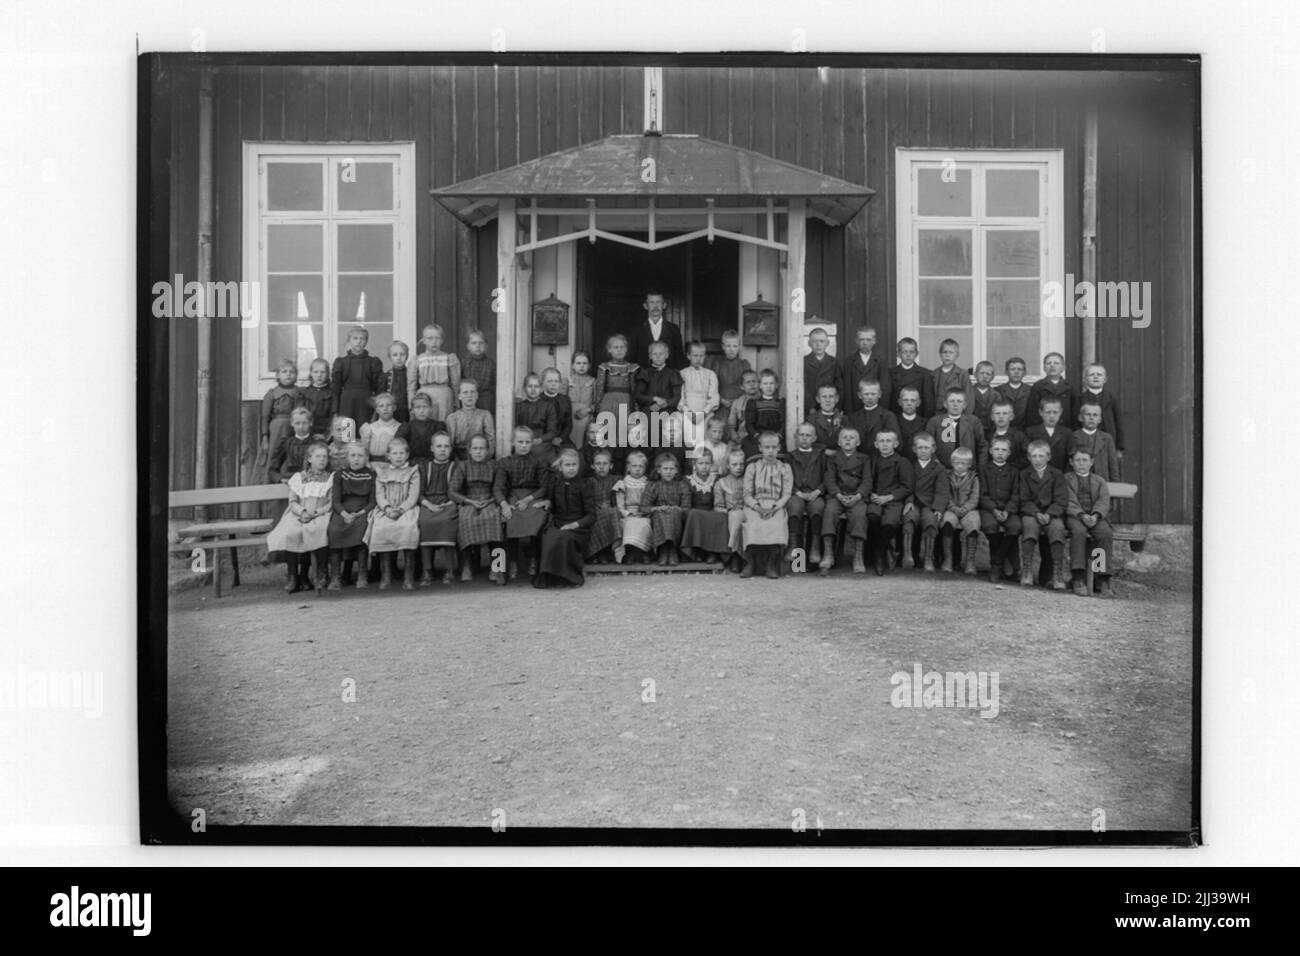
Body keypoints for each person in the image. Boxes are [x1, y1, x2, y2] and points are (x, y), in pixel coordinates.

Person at [266, 440, 334, 595]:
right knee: (291, 531)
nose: (322, 460)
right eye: (318, 456)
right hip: (298, 513)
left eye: (324, 457)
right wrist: (302, 512)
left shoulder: (330, 478)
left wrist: (316, 512)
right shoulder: (299, 477)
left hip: (319, 513)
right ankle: (293, 576)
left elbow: (330, 503)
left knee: (319, 529)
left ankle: (318, 573)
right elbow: (293, 501)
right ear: (309, 459)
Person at [494, 424, 551, 580]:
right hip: (512, 497)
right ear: (512, 442)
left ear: (532, 443)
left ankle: (533, 559)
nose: (524, 446)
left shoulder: (539, 462)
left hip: (533, 496)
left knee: (536, 516)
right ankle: (512, 561)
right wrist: (504, 504)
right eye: (520, 442)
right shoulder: (505, 463)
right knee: (511, 517)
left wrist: (528, 499)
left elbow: (544, 486)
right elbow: (498, 488)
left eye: (527, 442)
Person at [533, 448, 596, 589]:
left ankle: (568, 578)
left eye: (574, 465)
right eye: (567, 465)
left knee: (564, 537)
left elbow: (592, 515)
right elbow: (551, 501)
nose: (571, 468)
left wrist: (576, 524)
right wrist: (547, 502)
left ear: (579, 466)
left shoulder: (585, 485)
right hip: (559, 521)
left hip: (579, 527)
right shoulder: (555, 483)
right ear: (560, 467)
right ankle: (549, 578)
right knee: (549, 536)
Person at [364, 436, 422, 590]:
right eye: (395, 453)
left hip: (406, 509)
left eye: (402, 453)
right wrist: (388, 508)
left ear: (407, 455)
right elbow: (379, 495)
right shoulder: (382, 472)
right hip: (387, 510)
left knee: (409, 527)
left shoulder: (413, 471)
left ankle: (408, 576)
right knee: (381, 527)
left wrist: (402, 509)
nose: (398, 456)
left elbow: (413, 495)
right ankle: (386, 573)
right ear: (388, 456)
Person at [448, 434, 504, 584]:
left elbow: (499, 488)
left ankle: (497, 566)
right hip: (469, 500)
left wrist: (491, 500)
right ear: (469, 451)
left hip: (490, 499)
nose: (478, 452)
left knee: (495, 518)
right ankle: (467, 566)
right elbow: (452, 491)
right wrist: (468, 501)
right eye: (475, 448)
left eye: (482, 448)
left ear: (487, 450)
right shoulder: (463, 466)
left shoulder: (495, 465)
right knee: (465, 519)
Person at [741, 432, 794, 579]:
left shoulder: (785, 468)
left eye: (773, 447)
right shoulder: (753, 467)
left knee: (776, 524)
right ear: (760, 448)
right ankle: (751, 562)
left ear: (779, 448)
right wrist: (758, 507)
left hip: (776, 505)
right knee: (753, 523)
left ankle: (771, 564)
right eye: (767, 447)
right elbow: (747, 494)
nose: (770, 451)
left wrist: (774, 508)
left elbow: (787, 493)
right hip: (755, 505)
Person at [820, 425, 871, 575]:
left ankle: (858, 556)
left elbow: (867, 481)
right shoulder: (833, 458)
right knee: (829, 512)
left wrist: (858, 495)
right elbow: (829, 479)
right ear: (839, 442)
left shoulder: (864, 458)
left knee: (859, 516)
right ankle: (828, 554)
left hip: (857, 495)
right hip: (838, 495)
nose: (848, 440)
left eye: (852, 437)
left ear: (858, 442)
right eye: (844, 437)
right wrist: (838, 495)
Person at [1018, 439, 1069, 590]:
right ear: (1029, 457)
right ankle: (1027, 571)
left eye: (1041, 456)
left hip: (1052, 515)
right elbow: (1023, 498)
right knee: (1029, 527)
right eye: (1034, 456)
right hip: (1031, 513)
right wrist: (1035, 513)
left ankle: (1057, 574)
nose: (1037, 460)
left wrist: (1050, 514)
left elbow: (1061, 500)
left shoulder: (1057, 474)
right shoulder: (1024, 474)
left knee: (1057, 529)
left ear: (1048, 457)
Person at [1065, 447, 1115, 598]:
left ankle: (1102, 578)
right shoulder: (1066, 479)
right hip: (1075, 516)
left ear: (1091, 462)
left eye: (1085, 460)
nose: (1081, 463)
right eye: (1078, 460)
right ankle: (1078, 577)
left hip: (1095, 517)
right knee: (1079, 532)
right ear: (1071, 462)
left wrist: (1096, 515)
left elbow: (1104, 501)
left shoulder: (1099, 481)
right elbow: (1068, 500)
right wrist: (1081, 514)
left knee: (1104, 534)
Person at [326, 441, 376, 590]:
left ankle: (362, 574)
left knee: (361, 528)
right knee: (334, 529)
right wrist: (344, 513)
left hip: (362, 510)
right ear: (347, 457)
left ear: (366, 457)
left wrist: (360, 513)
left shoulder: (371, 475)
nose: (356, 459)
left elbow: (373, 501)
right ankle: (335, 576)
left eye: (360, 456)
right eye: (353, 455)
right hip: (343, 510)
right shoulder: (340, 475)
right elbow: (335, 501)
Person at [866, 430, 914, 576]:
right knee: (873, 515)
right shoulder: (872, 460)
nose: (885, 444)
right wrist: (871, 493)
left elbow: (907, 486)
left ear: (896, 444)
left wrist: (889, 497)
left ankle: (879, 551)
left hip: (893, 500)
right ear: (876, 444)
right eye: (881, 441)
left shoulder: (902, 462)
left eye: (888, 441)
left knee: (890, 521)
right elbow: (866, 480)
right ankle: (881, 550)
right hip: (875, 498)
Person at [416, 432, 459, 586]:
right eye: (439, 446)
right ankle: (427, 570)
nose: (442, 450)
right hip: (428, 503)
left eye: (446, 446)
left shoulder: (456, 466)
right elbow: (419, 493)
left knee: (447, 521)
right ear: (432, 448)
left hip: (449, 503)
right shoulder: (424, 467)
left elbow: (457, 490)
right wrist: (428, 505)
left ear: (451, 449)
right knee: (424, 521)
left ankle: (449, 569)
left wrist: (448, 503)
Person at [978, 435, 1022, 584]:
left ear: (1009, 453)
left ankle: (997, 562)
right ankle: (997, 567)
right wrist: (994, 510)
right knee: (990, 527)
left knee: (1015, 527)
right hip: (990, 510)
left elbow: (1016, 495)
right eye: (997, 449)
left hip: (1009, 510)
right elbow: (982, 495)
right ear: (991, 451)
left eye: (1004, 450)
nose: (1000, 453)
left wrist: (1007, 511)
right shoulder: (984, 469)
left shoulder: (1014, 472)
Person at [634, 341, 684, 470]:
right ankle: (650, 471)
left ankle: (666, 470)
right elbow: (638, 395)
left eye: (661, 354)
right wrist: (653, 399)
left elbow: (677, 396)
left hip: (667, 412)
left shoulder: (672, 373)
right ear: (650, 356)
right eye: (654, 354)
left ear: (666, 355)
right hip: (649, 412)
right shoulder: (645, 373)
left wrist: (664, 403)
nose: (658, 357)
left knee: (666, 441)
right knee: (649, 442)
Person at [902, 432, 949, 572]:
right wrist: (909, 501)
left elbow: (942, 491)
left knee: (930, 521)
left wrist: (938, 509)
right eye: (920, 447)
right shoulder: (910, 466)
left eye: (926, 448)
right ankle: (907, 555)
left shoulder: (939, 468)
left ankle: (928, 558)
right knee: (909, 518)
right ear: (914, 449)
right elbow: (907, 486)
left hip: (930, 504)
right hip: (914, 502)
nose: (923, 451)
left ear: (933, 449)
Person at [331, 326, 384, 435]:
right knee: (347, 434)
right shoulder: (341, 362)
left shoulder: (373, 362)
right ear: (349, 340)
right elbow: (335, 389)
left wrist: (378, 408)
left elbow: (379, 389)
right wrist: (335, 411)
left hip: (367, 403)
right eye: (355, 338)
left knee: (366, 434)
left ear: (366, 341)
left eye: (362, 338)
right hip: (346, 404)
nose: (359, 341)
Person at [786, 423, 826, 564]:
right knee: (795, 508)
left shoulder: (820, 456)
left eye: (808, 435)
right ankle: (794, 547)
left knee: (817, 509)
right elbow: (786, 478)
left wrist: (818, 491)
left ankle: (814, 548)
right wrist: (797, 492)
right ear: (796, 437)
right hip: (797, 494)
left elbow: (827, 476)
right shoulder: (790, 457)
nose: (804, 438)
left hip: (815, 493)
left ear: (814, 438)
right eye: (801, 435)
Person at [643, 453, 692, 566]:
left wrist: (676, 509)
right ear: (658, 470)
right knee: (661, 515)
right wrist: (657, 508)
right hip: (657, 517)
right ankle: (663, 550)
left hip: (677, 517)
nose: (669, 472)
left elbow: (686, 507)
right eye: (665, 469)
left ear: (676, 470)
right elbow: (644, 507)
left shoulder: (682, 485)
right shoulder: (653, 485)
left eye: (671, 469)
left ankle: (673, 549)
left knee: (673, 514)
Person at [680, 449, 728, 564]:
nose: (704, 466)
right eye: (700, 463)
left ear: (711, 464)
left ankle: (712, 552)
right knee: (695, 514)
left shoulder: (716, 479)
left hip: (711, 510)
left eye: (707, 463)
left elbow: (718, 500)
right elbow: (686, 503)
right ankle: (698, 551)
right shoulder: (687, 480)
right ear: (694, 464)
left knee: (720, 516)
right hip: (693, 511)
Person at [940, 447, 981, 575]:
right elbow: (945, 494)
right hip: (951, 508)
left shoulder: (974, 478)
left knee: (973, 524)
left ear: (969, 465)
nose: (960, 466)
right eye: (957, 463)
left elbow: (975, 496)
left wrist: (966, 508)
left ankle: (970, 561)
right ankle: (948, 559)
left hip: (969, 509)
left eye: (963, 463)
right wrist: (953, 508)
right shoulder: (946, 476)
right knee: (947, 522)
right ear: (952, 463)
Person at [261, 359, 307, 471]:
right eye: (284, 371)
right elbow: (265, 416)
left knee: (290, 453)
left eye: (291, 372)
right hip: (276, 429)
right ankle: (269, 480)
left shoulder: (298, 393)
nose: (288, 374)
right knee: (274, 454)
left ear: (296, 375)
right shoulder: (272, 393)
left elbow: (300, 412)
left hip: (293, 427)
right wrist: (265, 436)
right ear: (278, 375)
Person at [926, 388, 988, 468]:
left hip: (968, 469)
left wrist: (981, 467)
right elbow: (928, 445)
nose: (955, 404)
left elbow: (982, 446)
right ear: (945, 404)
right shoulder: (935, 422)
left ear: (965, 405)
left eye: (959, 401)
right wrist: (936, 464)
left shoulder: (973, 421)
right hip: (943, 469)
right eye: (952, 401)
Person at [413, 324, 461, 421]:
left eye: (437, 338)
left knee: (444, 422)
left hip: (444, 395)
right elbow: (411, 385)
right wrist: (411, 403)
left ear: (442, 340)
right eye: (430, 338)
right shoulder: (418, 359)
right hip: (424, 395)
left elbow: (456, 382)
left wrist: (457, 401)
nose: (434, 342)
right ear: (424, 341)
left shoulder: (449, 358)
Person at [628, 290, 686, 369]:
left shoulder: (674, 329)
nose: (655, 306)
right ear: (645, 306)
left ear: (664, 305)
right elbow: (632, 358)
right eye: (652, 302)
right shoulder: (637, 330)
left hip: (668, 378)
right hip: (643, 378)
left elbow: (679, 358)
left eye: (658, 302)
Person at [613, 450, 653, 564]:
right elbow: (619, 505)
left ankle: (644, 551)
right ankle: (630, 552)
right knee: (630, 523)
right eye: (634, 466)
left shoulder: (648, 483)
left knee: (645, 523)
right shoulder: (622, 483)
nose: (637, 469)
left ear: (645, 468)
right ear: (628, 467)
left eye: (641, 466)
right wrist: (628, 514)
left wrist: (645, 512)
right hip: (627, 514)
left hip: (643, 514)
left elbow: (651, 502)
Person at [591, 334, 639, 428]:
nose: (619, 350)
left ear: (626, 349)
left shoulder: (632, 368)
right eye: (615, 347)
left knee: (624, 428)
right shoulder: (604, 367)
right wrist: (598, 407)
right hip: (608, 401)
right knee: (608, 428)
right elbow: (599, 388)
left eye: (622, 347)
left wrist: (636, 408)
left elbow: (634, 389)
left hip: (626, 401)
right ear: (609, 349)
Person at [1078, 363, 1124, 460]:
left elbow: (1118, 422)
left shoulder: (1111, 398)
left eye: (1099, 375)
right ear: (1085, 379)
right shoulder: (1080, 398)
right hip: (1086, 442)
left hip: (1107, 440)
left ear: (1105, 379)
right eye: (1091, 375)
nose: (1095, 377)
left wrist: (1119, 447)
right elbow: (1075, 421)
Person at [584, 448, 622, 564]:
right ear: (592, 466)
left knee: (612, 513)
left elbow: (619, 499)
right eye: (598, 464)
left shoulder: (616, 480)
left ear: (611, 466)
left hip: (611, 510)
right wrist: (596, 506)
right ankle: (595, 552)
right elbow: (586, 500)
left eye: (605, 464)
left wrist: (610, 504)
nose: (601, 467)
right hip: (594, 510)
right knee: (594, 517)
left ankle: (606, 551)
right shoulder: (589, 482)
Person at [713, 449, 748, 573]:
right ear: (728, 465)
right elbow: (717, 506)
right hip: (730, 512)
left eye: (741, 464)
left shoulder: (748, 480)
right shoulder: (721, 483)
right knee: (735, 517)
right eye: (734, 464)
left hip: (748, 510)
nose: (739, 467)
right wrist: (728, 510)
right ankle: (736, 555)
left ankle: (742, 555)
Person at [841, 326, 891, 412]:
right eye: (862, 339)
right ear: (856, 341)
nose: (865, 343)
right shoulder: (849, 361)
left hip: (875, 407)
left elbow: (884, 389)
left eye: (868, 340)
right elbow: (847, 389)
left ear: (874, 341)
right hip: (855, 407)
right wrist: (848, 411)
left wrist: (881, 411)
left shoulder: (880, 361)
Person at [678, 340, 720, 441]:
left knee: (705, 438)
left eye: (701, 356)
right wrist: (688, 412)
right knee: (688, 439)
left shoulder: (710, 374)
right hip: (688, 413)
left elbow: (713, 397)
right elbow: (680, 397)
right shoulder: (682, 374)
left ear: (705, 356)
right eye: (695, 355)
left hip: (705, 413)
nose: (698, 359)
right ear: (688, 356)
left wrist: (703, 413)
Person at [1069, 399, 1120, 482]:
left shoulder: (1107, 438)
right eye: (1088, 414)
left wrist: (1115, 484)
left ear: (1100, 419)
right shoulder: (1073, 437)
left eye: (1095, 415)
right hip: (1079, 482)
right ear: (1080, 417)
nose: (1091, 417)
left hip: (1102, 482)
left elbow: (1113, 465)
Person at [515, 373, 561, 464]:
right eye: (530, 386)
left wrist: (540, 439)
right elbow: (516, 427)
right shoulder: (519, 406)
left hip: (543, 441)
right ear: (524, 388)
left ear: (541, 388)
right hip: (524, 440)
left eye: (536, 386)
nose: (533, 389)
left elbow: (552, 431)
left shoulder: (548, 406)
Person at [846, 380, 899, 457]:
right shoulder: (853, 417)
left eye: (873, 394)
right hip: (859, 458)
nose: (870, 397)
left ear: (880, 394)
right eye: (866, 394)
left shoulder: (888, 416)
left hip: (881, 458)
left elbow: (894, 442)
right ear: (860, 395)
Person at [445, 381, 494, 461]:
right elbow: (450, 444)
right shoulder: (452, 418)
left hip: (481, 457)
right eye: (465, 392)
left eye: (472, 392)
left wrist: (485, 458)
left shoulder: (485, 415)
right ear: (459, 396)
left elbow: (490, 440)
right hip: (459, 459)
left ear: (477, 395)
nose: (469, 395)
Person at [742, 369, 785, 460]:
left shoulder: (780, 403)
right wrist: (758, 437)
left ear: (776, 385)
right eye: (765, 384)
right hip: (759, 437)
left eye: (771, 383)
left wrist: (778, 436)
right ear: (760, 385)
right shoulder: (754, 403)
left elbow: (783, 423)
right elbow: (749, 425)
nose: (768, 386)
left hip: (775, 436)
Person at [708, 330, 752, 419]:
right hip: (722, 403)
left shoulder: (744, 364)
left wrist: (738, 402)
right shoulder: (718, 364)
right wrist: (722, 400)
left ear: (739, 347)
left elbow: (749, 386)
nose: (731, 349)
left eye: (735, 346)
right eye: (728, 346)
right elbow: (711, 387)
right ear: (723, 346)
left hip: (740, 404)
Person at [803, 327, 844, 418]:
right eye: (815, 341)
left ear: (827, 343)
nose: (818, 345)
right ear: (809, 343)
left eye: (822, 341)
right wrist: (810, 407)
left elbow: (840, 386)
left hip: (830, 406)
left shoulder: (834, 362)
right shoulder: (804, 362)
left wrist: (837, 407)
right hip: (809, 408)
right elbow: (803, 387)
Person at [1026, 352, 1073, 429]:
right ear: (1044, 368)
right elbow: (1032, 412)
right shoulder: (1038, 386)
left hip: (1065, 428)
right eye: (1048, 363)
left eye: (1056, 363)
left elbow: (1074, 411)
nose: (1052, 365)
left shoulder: (1070, 387)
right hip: (1043, 428)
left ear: (1063, 368)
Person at [269, 407, 317, 482]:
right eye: (297, 423)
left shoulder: (316, 443)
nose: (301, 427)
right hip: (290, 480)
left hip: (313, 481)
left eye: (304, 423)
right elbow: (272, 469)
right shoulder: (286, 443)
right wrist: (280, 479)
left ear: (310, 423)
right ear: (292, 423)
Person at [1026, 396, 1073, 472]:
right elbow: (1028, 457)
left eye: (1055, 412)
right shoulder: (1031, 432)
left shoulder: (1067, 433)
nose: (1052, 416)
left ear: (1060, 412)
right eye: (1048, 412)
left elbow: (1070, 458)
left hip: (1060, 475)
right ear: (1041, 412)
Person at [890, 337, 931, 420]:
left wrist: (926, 420)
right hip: (897, 417)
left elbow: (928, 401)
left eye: (911, 352)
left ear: (916, 354)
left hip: (918, 418)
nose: (908, 355)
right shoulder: (891, 373)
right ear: (898, 354)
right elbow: (889, 400)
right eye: (905, 352)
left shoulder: (925, 374)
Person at [928, 338, 971, 415]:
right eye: (945, 352)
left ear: (957, 355)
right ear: (940, 355)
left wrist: (965, 418)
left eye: (951, 352)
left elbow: (969, 398)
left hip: (957, 414)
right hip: (938, 414)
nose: (947, 355)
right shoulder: (933, 374)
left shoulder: (962, 374)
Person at [404, 392, 448, 468]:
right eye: (418, 407)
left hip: (434, 464)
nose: (421, 410)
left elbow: (444, 446)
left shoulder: (438, 426)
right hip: (411, 464)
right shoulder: (406, 427)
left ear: (431, 408)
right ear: (412, 410)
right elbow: (399, 445)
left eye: (425, 407)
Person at [359, 392, 405, 463]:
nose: (385, 408)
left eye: (388, 405)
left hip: (392, 464)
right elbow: (364, 450)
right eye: (381, 406)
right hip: (372, 464)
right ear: (377, 410)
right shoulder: (369, 428)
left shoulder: (400, 427)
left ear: (394, 408)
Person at [378, 340, 415, 423]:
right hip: (391, 413)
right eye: (395, 355)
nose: (399, 358)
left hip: (408, 412)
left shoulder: (412, 375)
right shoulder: (385, 376)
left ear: (407, 356)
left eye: (402, 354)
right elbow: (381, 398)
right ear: (390, 357)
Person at [984, 400, 1028, 470]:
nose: (1001, 416)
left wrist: (1008, 467)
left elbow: (1026, 456)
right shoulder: (987, 436)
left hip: (1013, 474)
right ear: (992, 417)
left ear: (1011, 417)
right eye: (997, 413)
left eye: (1005, 413)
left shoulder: (1020, 436)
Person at [460, 329, 496, 412]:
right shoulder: (464, 362)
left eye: (481, 343)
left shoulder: (491, 364)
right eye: (474, 343)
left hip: (485, 398)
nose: (478, 346)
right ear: (468, 346)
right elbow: (459, 381)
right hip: (468, 396)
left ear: (486, 346)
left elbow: (494, 384)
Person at [541, 367, 574, 454]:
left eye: (556, 381)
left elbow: (568, 425)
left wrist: (561, 438)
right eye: (550, 381)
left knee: (573, 454)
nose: (553, 384)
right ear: (543, 382)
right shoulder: (539, 400)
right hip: (543, 440)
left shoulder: (565, 400)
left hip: (561, 439)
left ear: (559, 383)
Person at [299, 358, 335, 439]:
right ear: (311, 373)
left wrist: (326, 435)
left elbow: (333, 417)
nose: (319, 375)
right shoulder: (304, 393)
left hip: (326, 432)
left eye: (323, 372)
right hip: (307, 432)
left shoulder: (332, 393)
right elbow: (301, 415)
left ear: (328, 373)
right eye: (316, 372)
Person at [568, 351, 596, 447]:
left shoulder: (593, 382)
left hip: (586, 416)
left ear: (589, 366)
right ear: (573, 365)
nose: (581, 366)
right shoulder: (567, 381)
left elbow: (598, 401)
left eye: (584, 363)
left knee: (584, 442)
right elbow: (561, 402)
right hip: (570, 416)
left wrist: (589, 410)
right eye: (578, 363)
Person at [806, 384, 845, 454]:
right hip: (818, 458)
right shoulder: (811, 419)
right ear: (818, 399)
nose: (828, 400)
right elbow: (807, 441)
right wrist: (824, 450)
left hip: (839, 459)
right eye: (824, 397)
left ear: (837, 399)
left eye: (831, 396)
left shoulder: (844, 419)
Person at [996, 356, 1032, 429]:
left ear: (1024, 372)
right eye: (1013, 369)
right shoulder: (998, 391)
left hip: (1025, 431)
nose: (1016, 372)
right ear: (1006, 372)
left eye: (1019, 369)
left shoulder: (1031, 391)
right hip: (1004, 431)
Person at [895, 386, 927, 463]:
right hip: (898, 462)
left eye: (912, 400)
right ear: (899, 402)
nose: (909, 403)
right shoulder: (894, 421)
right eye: (905, 400)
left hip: (918, 463)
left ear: (918, 403)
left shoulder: (925, 422)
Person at [727, 370, 760, 446]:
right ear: (742, 386)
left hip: (760, 436)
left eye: (754, 381)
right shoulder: (737, 403)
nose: (752, 384)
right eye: (748, 382)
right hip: (743, 436)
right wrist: (735, 436)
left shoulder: (764, 400)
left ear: (759, 383)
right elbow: (731, 425)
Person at [970, 361, 998, 431]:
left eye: (988, 374)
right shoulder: (968, 393)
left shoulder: (996, 395)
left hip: (991, 430)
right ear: (975, 374)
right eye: (981, 373)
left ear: (992, 377)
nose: (985, 376)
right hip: (972, 430)